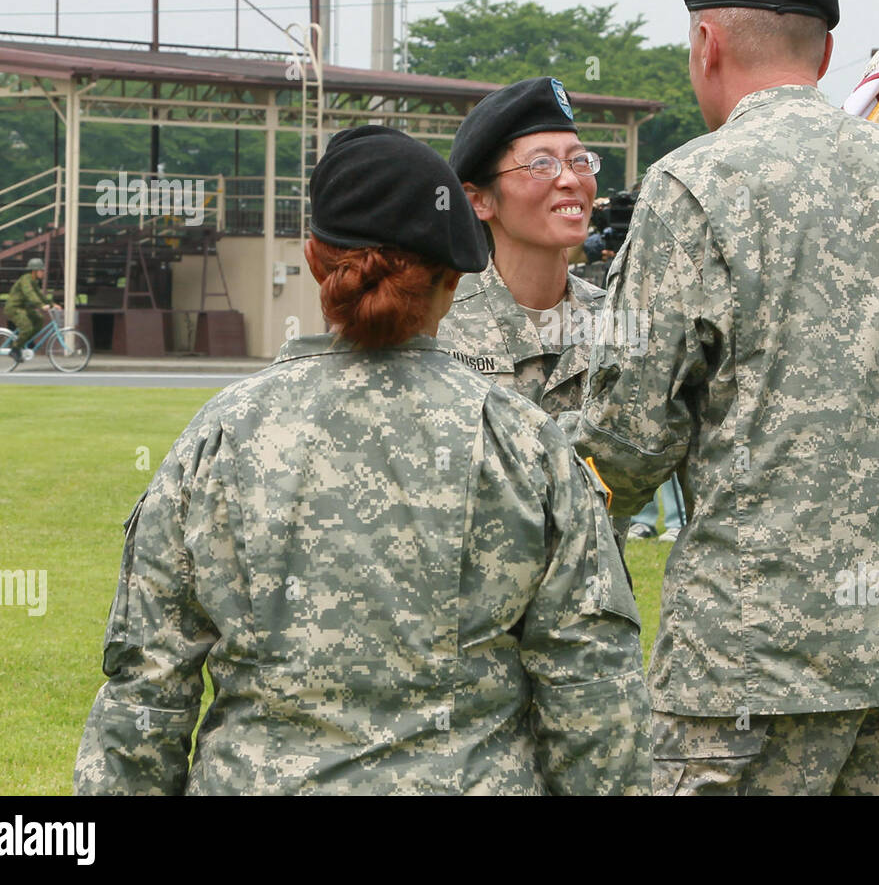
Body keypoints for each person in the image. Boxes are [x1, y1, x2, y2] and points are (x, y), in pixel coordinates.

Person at [573, 0, 879, 796]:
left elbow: (627, 438)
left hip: (758, 657)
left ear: (707, 44)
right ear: (825, 53)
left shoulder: (693, 185)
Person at [74, 125, 650, 795]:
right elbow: (594, 696)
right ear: (455, 276)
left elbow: (146, 694)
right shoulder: (524, 445)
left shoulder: (220, 437)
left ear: (316, 260)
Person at [439, 77, 607, 418]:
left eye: (579, 160)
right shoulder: (437, 327)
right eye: (542, 164)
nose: (570, 179)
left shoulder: (615, 322)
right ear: (479, 201)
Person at [4, 257, 59, 363]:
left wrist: (52, 304)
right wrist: (41, 305)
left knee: (39, 319)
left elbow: (40, 295)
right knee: (27, 327)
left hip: (24, 308)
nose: (43, 272)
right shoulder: (26, 279)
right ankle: (15, 349)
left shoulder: (34, 281)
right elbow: (30, 294)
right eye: (41, 270)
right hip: (14, 308)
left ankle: (25, 341)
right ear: (35, 270)